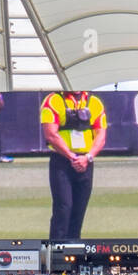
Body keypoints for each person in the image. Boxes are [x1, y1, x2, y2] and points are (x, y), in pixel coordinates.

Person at [40, 88, 107, 242]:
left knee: (79, 209)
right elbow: (51, 134)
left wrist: (88, 157)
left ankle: (74, 249)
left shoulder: (94, 102)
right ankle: (56, 248)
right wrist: (71, 156)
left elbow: (100, 136)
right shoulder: (53, 100)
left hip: (86, 163)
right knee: (63, 208)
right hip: (62, 161)